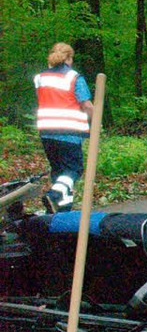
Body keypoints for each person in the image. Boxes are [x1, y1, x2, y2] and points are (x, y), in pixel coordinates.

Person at [33, 42, 94, 213]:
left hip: (46, 132)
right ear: (68, 58)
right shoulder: (73, 77)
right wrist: (96, 120)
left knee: (59, 173)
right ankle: (54, 195)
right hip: (69, 132)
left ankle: (61, 210)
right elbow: (86, 105)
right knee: (73, 169)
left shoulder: (40, 78)